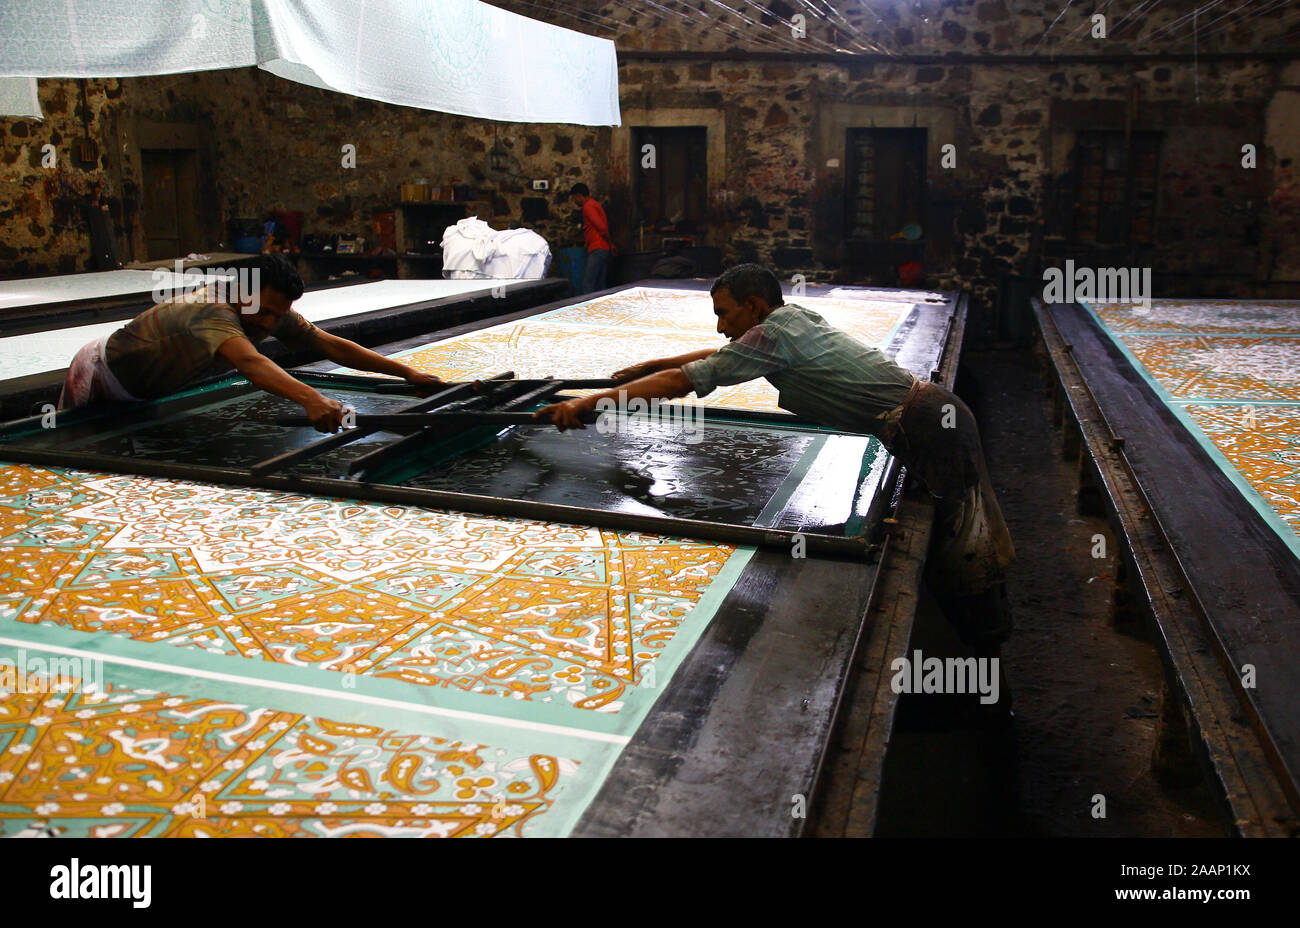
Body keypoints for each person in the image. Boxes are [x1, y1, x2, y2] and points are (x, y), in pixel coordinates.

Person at [536, 263, 1015, 655]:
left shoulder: (774, 336)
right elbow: (722, 353)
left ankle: (984, 650)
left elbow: (688, 382)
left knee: (964, 538)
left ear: (754, 306)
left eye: (725, 314)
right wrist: (651, 366)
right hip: (937, 414)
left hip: (932, 429)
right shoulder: (791, 320)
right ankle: (979, 638)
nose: (720, 326)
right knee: (963, 526)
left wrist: (586, 404)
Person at [59, 253, 442, 432]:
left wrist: (405, 372)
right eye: (265, 311)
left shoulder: (265, 307)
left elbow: (328, 344)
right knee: (69, 440)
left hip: (147, 382)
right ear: (242, 290)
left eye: (278, 314)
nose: (268, 322)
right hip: (101, 372)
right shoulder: (209, 310)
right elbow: (250, 363)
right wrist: (312, 398)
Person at [569, 182, 611, 294]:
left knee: (588, 284)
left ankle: (587, 309)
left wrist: (610, 242)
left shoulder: (587, 206)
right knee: (600, 284)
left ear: (579, 195)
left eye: (574, 198)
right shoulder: (595, 204)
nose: (574, 201)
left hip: (597, 248)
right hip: (603, 247)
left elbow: (601, 227)